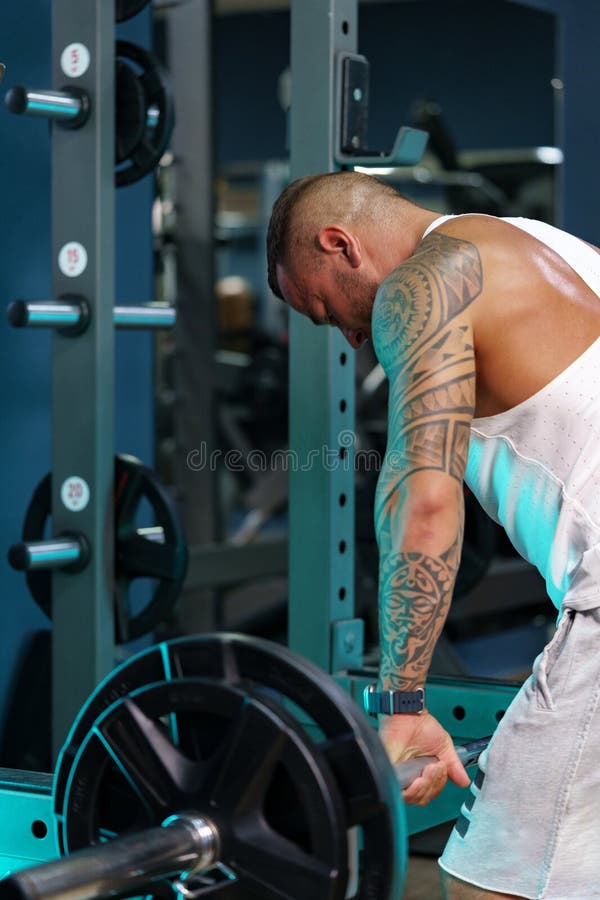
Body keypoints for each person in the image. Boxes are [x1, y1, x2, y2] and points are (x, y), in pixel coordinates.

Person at [266, 170, 600, 900]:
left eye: (326, 310)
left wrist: (402, 702)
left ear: (339, 243)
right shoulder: (547, 246)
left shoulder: (422, 286)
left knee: (492, 881)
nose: (354, 337)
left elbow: (424, 501)